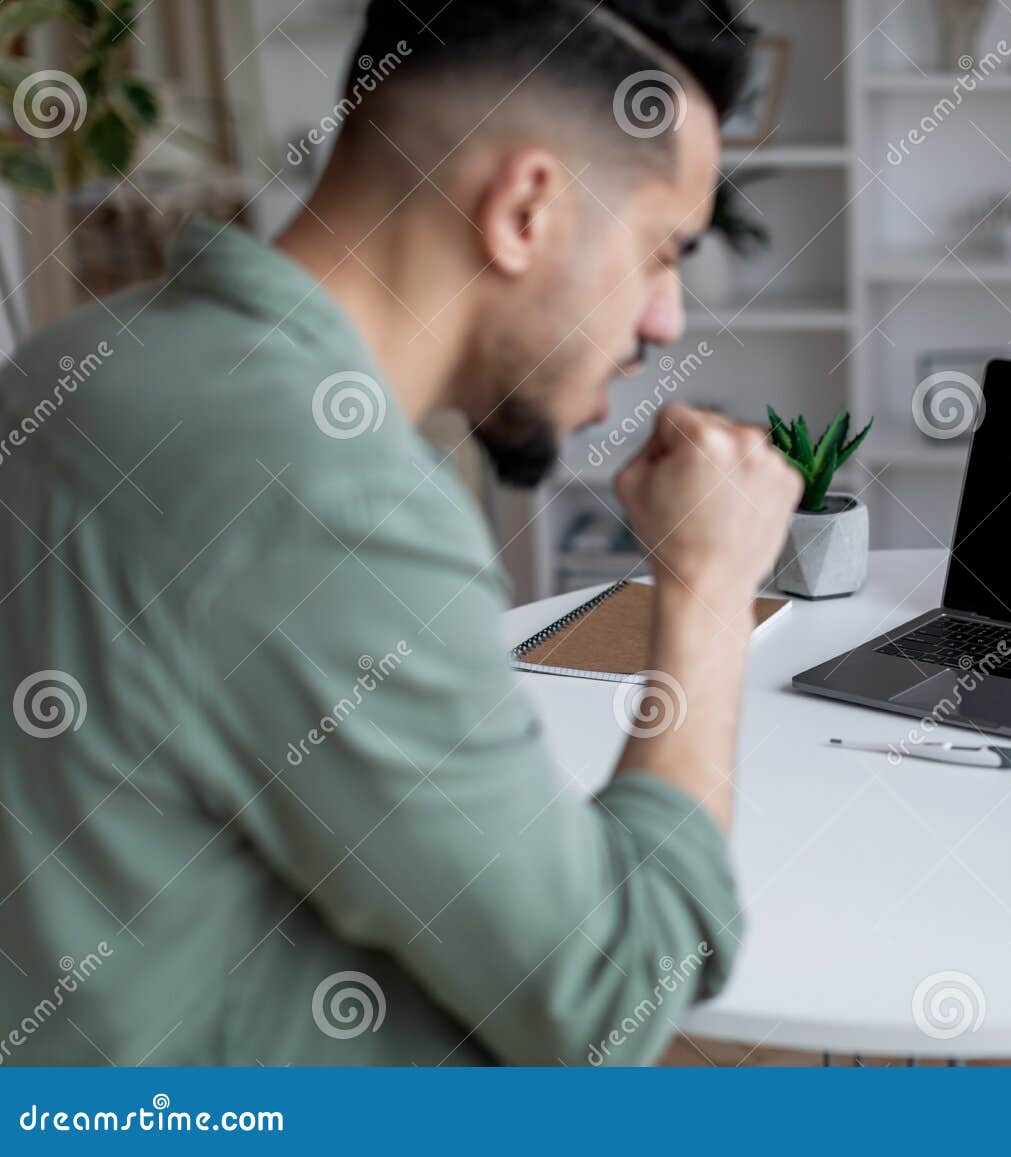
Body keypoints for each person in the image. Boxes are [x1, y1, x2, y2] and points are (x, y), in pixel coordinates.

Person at [0, 0, 801, 1065]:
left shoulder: (76, 359)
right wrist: (706, 587)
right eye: (662, 249)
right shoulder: (327, 488)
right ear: (526, 208)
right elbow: (608, 1000)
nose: (666, 320)